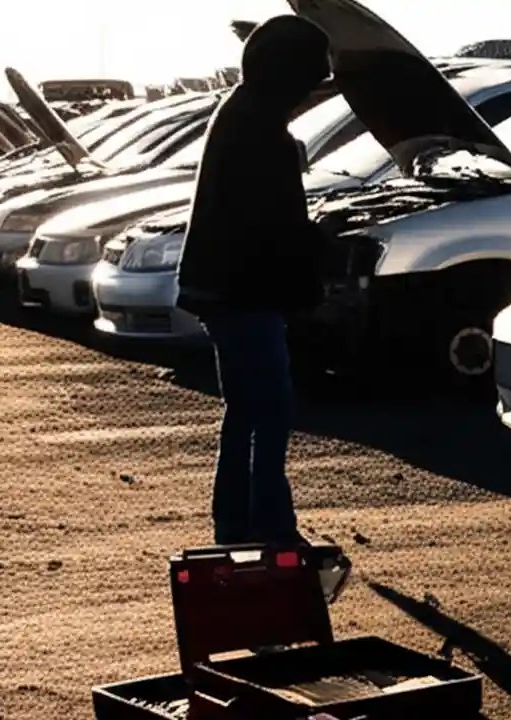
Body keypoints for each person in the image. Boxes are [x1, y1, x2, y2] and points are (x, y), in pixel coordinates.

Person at [176, 15, 332, 546]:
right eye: (310, 79)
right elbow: (274, 226)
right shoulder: (262, 132)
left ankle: (240, 525)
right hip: (243, 292)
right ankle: (267, 529)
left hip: (222, 289)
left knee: (247, 410)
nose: (310, 91)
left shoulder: (246, 111)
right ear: (287, 74)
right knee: (268, 409)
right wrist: (316, 258)